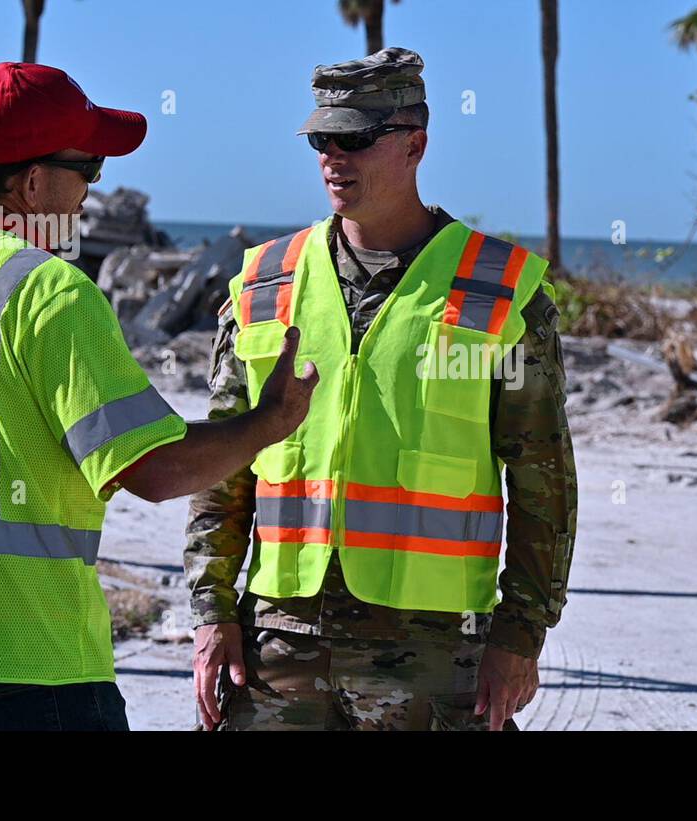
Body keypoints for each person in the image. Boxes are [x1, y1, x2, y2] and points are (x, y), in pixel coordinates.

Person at [0, 62, 317, 731]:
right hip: (33, 681)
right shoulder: (47, 292)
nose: (90, 191)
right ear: (30, 183)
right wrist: (270, 420)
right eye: (88, 168)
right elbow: (158, 469)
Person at [185, 47, 578, 731]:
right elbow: (222, 462)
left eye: (357, 138)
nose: (335, 156)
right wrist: (212, 611)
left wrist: (521, 633)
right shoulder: (265, 283)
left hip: (432, 648)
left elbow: (544, 479)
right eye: (322, 140)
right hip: (281, 640)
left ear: (415, 144)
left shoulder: (500, 291)